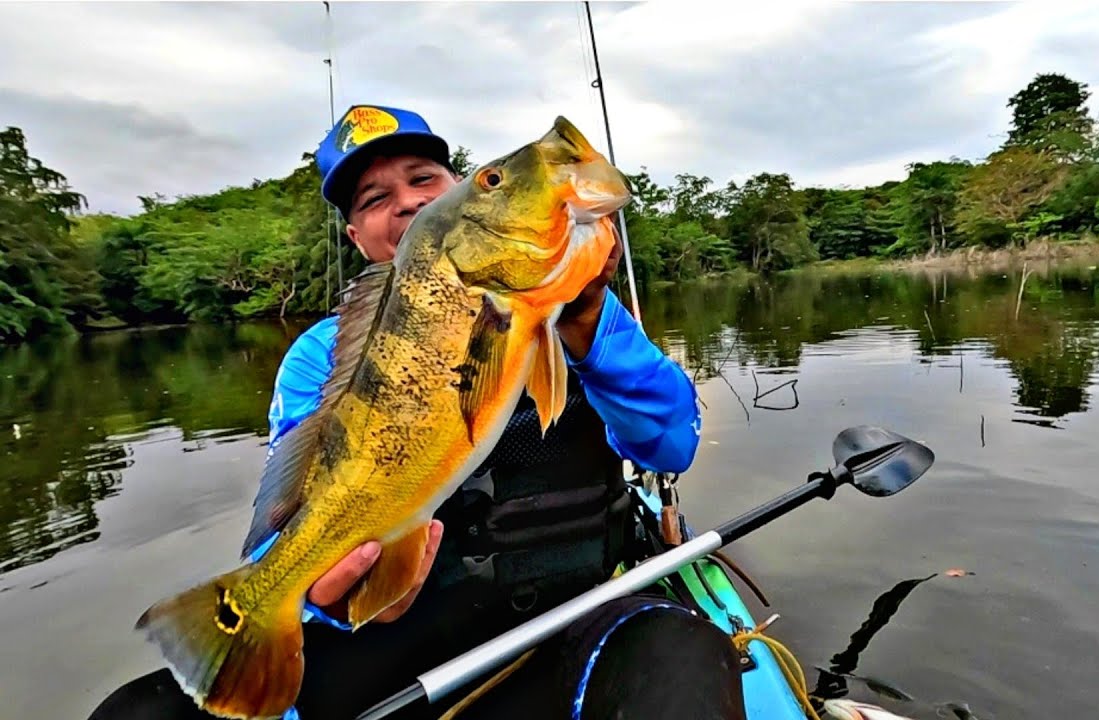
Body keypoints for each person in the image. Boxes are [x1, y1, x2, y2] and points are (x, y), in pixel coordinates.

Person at [89, 105, 747, 720]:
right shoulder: (320, 356)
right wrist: (325, 600)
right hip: (405, 649)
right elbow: (286, 519)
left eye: (424, 177)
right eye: (375, 199)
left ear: (455, 189)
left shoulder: (583, 311)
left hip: (566, 624)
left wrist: (583, 333)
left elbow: (670, 447)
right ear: (356, 235)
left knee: (679, 654)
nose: (405, 200)